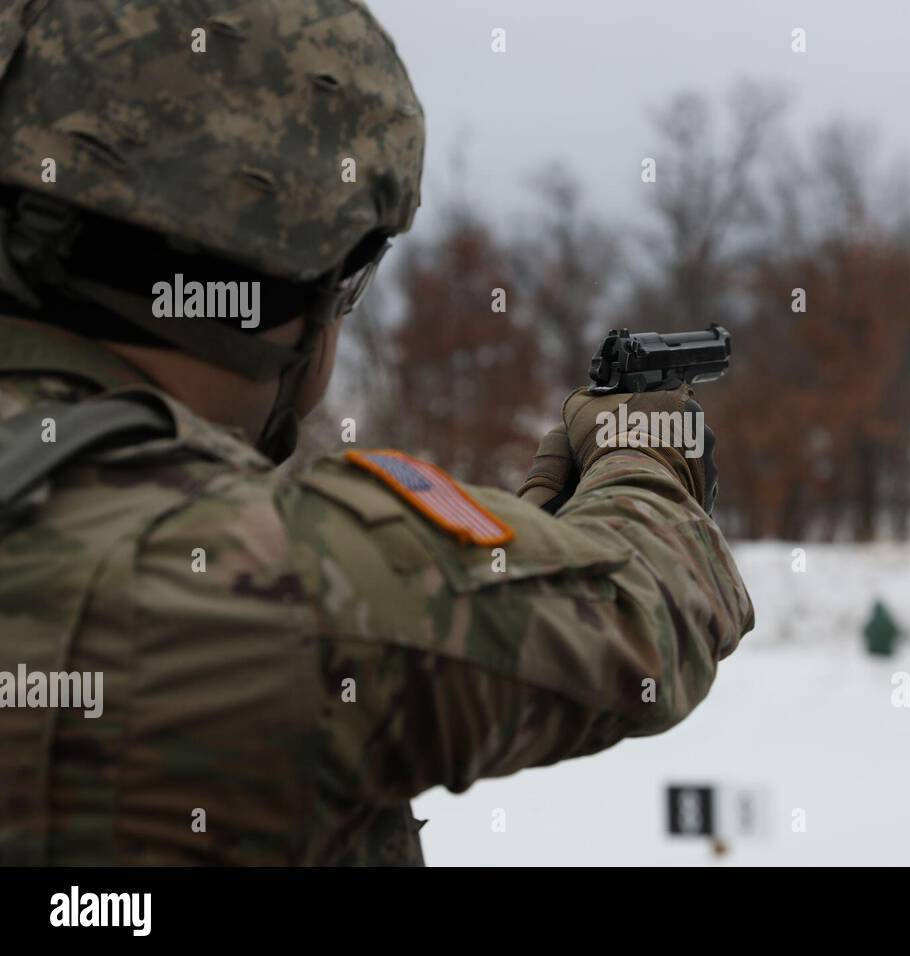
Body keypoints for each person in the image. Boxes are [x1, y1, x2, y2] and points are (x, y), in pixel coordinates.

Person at [0, 0, 753, 865]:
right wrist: (643, 458)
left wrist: (528, 520)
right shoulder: (256, 571)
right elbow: (641, 617)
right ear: (304, 298)